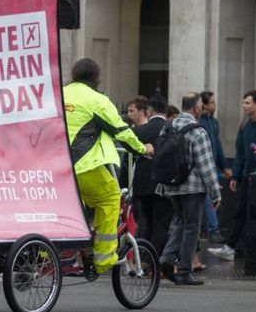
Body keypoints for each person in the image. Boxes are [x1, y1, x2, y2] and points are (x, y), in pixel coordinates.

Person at [63, 58, 153, 274]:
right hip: (82, 166)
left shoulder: (60, 94)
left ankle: (47, 253)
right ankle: (103, 258)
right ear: (96, 78)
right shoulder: (98, 101)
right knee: (111, 197)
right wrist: (142, 149)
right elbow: (121, 131)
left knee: (65, 207)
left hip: (55, 168)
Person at [158, 92, 222, 286]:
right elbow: (206, 165)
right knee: (192, 228)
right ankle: (184, 271)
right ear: (196, 108)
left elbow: (162, 158)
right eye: (201, 106)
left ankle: (167, 259)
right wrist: (215, 193)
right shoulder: (197, 130)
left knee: (179, 222)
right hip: (192, 188)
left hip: (171, 185)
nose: (201, 109)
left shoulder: (167, 127)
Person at [209, 89, 256, 261]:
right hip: (247, 177)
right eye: (243, 103)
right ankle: (233, 247)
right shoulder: (244, 126)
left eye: (247, 103)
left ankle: (252, 249)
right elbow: (240, 153)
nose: (244, 106)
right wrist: (236, 176)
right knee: (241, 211)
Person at [131, 96, 173, 256]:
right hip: (164, 184)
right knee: (161, 224)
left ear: (150, 111)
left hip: (142, 184)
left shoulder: (139, 131)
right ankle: (157, 261)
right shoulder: (171, 129)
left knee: (145, 223)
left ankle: (144, 259)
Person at [199, 90, 229, 243]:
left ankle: (209, 228)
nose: (215, 105)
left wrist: (224, 167)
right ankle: (212, 229)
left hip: (214, 168)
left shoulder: (214, 122)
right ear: (203, 105)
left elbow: (217, 145)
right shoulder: (199, 122)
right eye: (212, 102)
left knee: (213, 198)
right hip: (204, 167)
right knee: (207, 198)